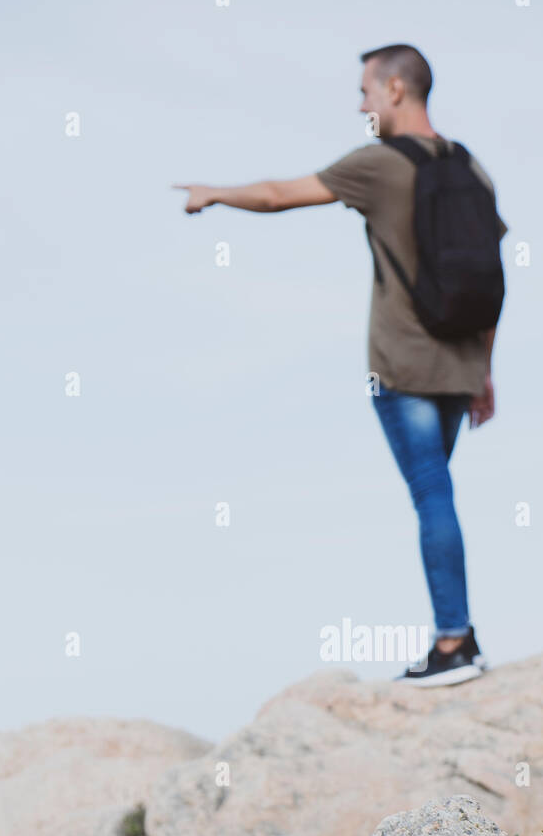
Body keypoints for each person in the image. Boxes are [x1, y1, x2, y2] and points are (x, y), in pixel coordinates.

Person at [175, 43, 507, 686]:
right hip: (460, 365)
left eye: (365, 92)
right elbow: (492, 279)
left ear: (396, 92)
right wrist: (484, 370)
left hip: (403, 365)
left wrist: (213, 194)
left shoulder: (379, 165)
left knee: (432, 495)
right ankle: (454, 635)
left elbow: (278, 195)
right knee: (435, 492)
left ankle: (453, 643)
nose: (361, 105)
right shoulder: (474, 171)